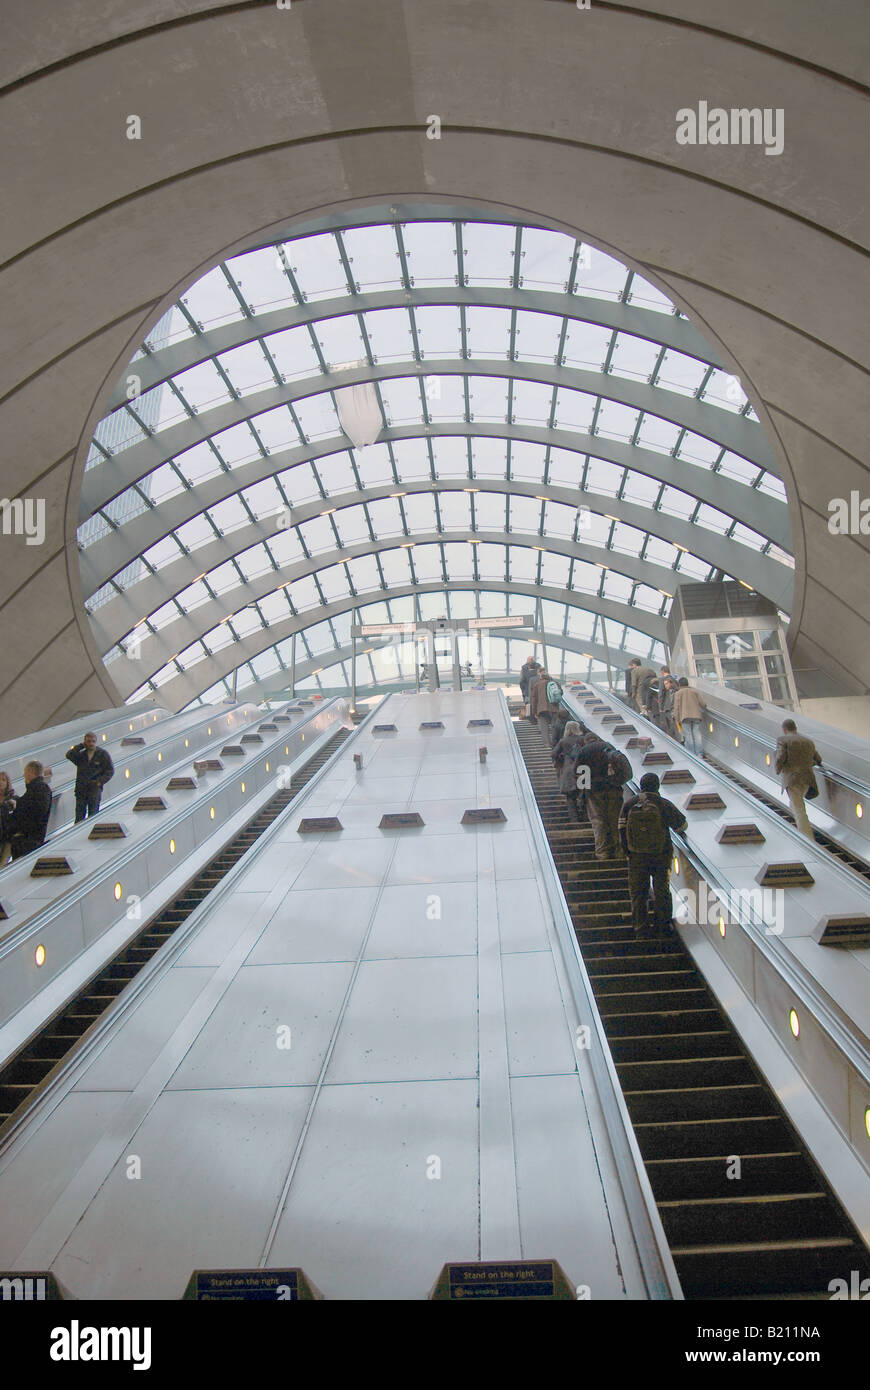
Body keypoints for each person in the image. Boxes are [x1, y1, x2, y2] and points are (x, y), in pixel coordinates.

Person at [619, 772, 688, 937]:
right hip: (661, 857)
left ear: (641, 786)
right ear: (657, 787)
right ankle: (662, 927)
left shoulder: (629, 804)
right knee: (661, 891)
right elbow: (682, 825)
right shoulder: (663, 803)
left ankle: (640, 929)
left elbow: (621, 829)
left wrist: (628, 852)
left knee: (638, 894)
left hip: (636, 858)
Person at [574, 732, 628, 860]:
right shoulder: (608, 747)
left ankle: (602, 852)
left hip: (594, 792)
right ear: (597, 738)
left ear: (586, 741)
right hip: (613, 789)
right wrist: (616, 781)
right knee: (615, 820)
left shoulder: (583, 751)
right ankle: (619, 851)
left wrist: (584, 792)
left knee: (598, 821)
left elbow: (578, 773)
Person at [774, 719, 823, 838]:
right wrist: (806, 765)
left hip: (792, 778)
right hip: (807, 778)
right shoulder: (808, 741)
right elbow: (818, 759)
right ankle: (806, 833)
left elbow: (781, 757)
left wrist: (777, 768)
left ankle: (806, 838)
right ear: (795, 728)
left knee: (798, 808)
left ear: (784, 730)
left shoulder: (783, 740)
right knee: (798, 805)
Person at [8, 761, 53, 860]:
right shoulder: (37, 789)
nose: (24, 775)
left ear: (30, 772)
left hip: (28, 841)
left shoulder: (39, 789)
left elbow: (34, 812)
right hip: (29, 840)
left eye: (25, 773)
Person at [66, 731, 114, 822]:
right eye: (88, 741)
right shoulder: (81, 755)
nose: (91, 743)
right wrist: (81, 746)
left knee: (93, 814)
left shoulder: (102, 754)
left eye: (93, 741)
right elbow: (69, 755)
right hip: (81, 789)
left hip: (94, 789)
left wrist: (99, 781)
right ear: (85, 742)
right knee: (79, 815)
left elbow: (110, 770)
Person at [551, 719, 589, 822]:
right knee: (584, 793)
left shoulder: (563, 741)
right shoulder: (582, 740)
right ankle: (586, 816)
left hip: (568, 770)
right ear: (577, 729)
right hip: (582, 769)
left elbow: (553, 754)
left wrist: (561, 757)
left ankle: (574, 819)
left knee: (570, 797)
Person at [672, 677, 707, 755]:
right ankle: (699, 754)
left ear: (680, 684)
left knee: (688, 735)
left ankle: (691, 754)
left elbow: (676, 707)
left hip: (685, 717)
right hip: (696, 716)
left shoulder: (678, 693)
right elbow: (703, 704)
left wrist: (677, 719)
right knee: (697, 734)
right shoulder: (695, 692)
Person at [529, 669, 563, 748]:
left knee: (544, 727)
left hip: (541, 709)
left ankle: (547, 743)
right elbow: (561, 693)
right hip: (554, 708)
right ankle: (555, 742)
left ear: (540, 677)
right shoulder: (555, 683)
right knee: (554, 726)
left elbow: (534, 699)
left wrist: (534, 712)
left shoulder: (537, 685)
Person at [0, 770, 17, 868]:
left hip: (7, 839)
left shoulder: (13, 799)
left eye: (3, 780)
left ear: (7, 782)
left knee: (2, 865)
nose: (1, 782)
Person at [660, 676, 681, 741]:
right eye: (664, 684)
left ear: (671, 683)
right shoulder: (668, 692)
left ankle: (680, 741)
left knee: (677, 728)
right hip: (669, 712)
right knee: (672, 728)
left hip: (674, 713)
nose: (665, 686)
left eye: (666, 684)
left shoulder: (676, 692)